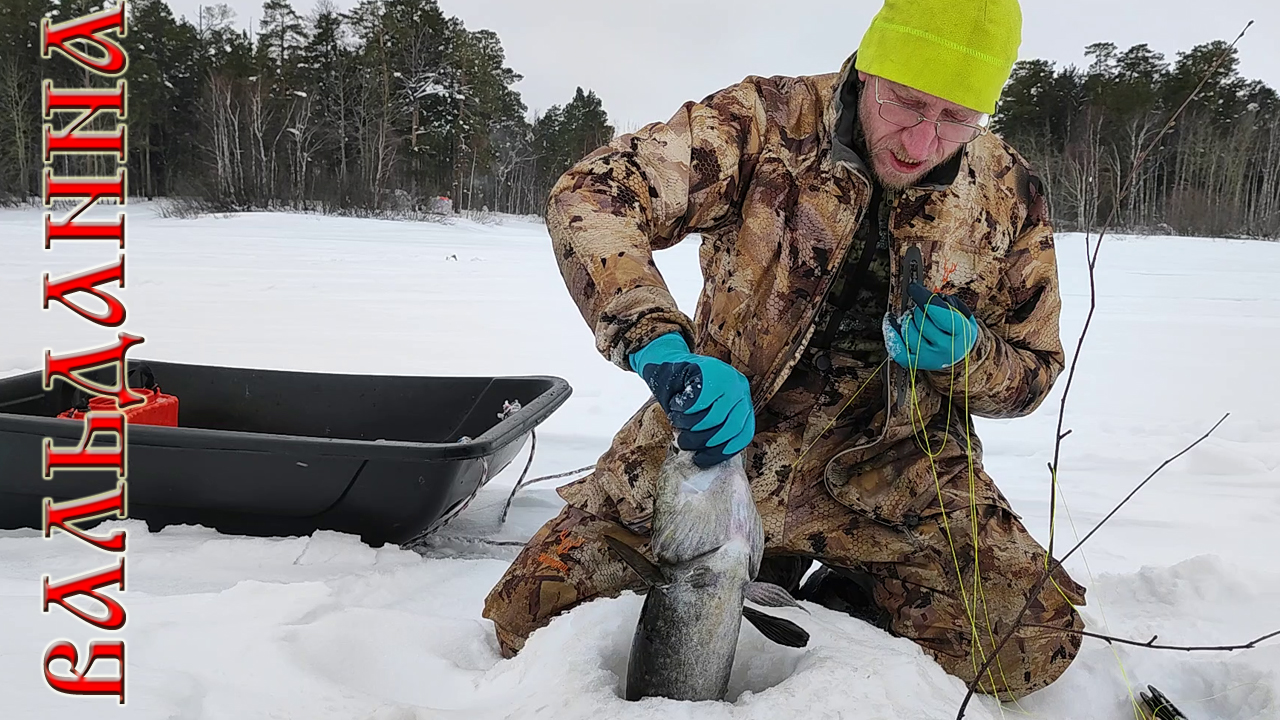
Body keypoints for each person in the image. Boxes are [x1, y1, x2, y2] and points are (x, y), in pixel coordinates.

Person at [483, 0, 1086, 700]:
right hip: (719, 450)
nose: (922, 141)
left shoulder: (1006, 190)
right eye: (907, 103)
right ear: (870, 70)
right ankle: (762, 563)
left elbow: (1034, 369)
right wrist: (659, 346)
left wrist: (968, 357)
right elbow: (593, 193)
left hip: (899, 481)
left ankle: (844, 593)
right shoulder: (764, 123)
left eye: (956, 118)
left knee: (1030, 643)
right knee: (528, 619)